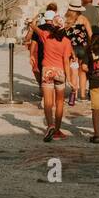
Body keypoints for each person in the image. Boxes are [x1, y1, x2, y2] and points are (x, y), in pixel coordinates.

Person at [29, 9, 74, 142]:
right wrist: (70, 79)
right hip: (60, 71)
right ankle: (58, 130)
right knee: (59, 102)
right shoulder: (66, 41)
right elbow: (66, 61)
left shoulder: (46, 36)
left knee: (48, 102)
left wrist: (36, 16)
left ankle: (50, 125)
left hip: (47, 70)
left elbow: (33, 26)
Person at [65, 6, 92, 105]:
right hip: (83, 47)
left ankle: (74, 94)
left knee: (74, 72)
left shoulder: (67, 20)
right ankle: (83, 95)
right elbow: (90, 34)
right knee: (82, 72)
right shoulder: (84, 19)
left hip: (71, 48)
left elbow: (65, 35)